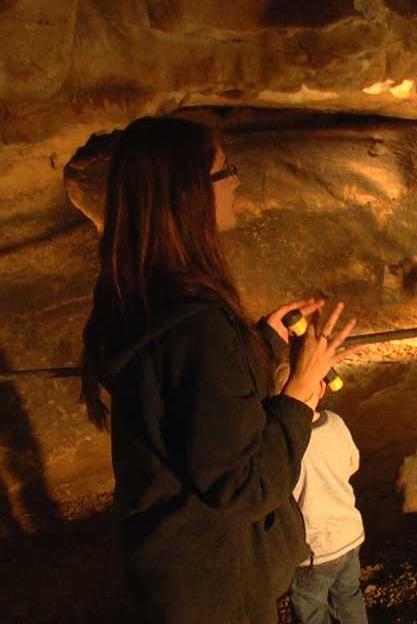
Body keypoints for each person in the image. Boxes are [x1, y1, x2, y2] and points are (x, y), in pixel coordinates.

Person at [79, 116, 357, 623]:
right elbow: (244, 484)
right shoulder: (197, 325)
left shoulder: (138, 297)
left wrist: (261, 342)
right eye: (226, 170)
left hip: (173, 573)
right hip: (217, 590)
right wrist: (298, 392)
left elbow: (188, 395)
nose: (236, 181)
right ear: (191, 194)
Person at [289, 401, 369, 624]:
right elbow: (354, 464)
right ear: (320, 389)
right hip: (349, 535)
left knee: (310, 609)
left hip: (314, 548)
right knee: (349, 598)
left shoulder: (284, 440)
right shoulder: (334, 421)